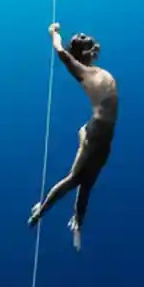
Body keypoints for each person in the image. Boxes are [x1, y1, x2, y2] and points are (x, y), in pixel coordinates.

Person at [28, 22, 118, 251]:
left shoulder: (93, 70)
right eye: (82, 40)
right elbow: (60, 52)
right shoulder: (81, 70)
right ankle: (41, 209)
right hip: (95, 133)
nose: (84, 36)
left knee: (86, 184)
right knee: (75, 179)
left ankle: (77, 220)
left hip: (102, 139)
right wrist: (53, 33)